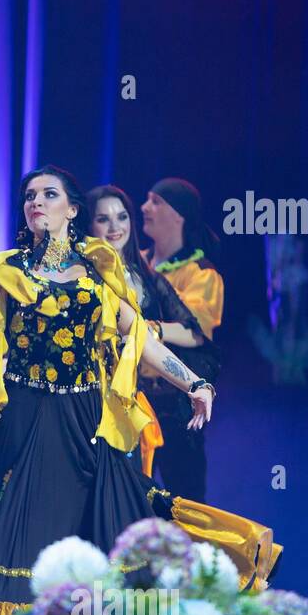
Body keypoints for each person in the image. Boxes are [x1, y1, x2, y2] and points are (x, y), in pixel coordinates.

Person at [0, 165, 274, 615]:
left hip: (90, 423)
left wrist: (194, 383)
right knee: (26, 538)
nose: (36, 202)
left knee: (115, 527)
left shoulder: (97, 273)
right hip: (29, 423)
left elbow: (142, 341)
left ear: (71, 209)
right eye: (30, 196)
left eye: (49, 194)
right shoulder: (5, 271)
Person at [87, 185, 219, 480]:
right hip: (87, 403)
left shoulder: (146, 275)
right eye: (103, 219)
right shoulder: (82, 278)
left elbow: (194, 332)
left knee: (152, 494)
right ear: (88, 225)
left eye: (122, 217)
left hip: (142, 403)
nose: (115, 227)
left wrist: (152, 331)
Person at [139, 178, 224, 501]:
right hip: (134, 397)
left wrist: (150, 329)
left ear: (178, 215)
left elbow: (197, 329)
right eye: (147, 200)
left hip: (175, 403)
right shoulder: (137, 261)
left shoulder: (200, 272)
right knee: (132, 495)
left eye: (156, 202)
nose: (145, 208)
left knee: (183, 500)